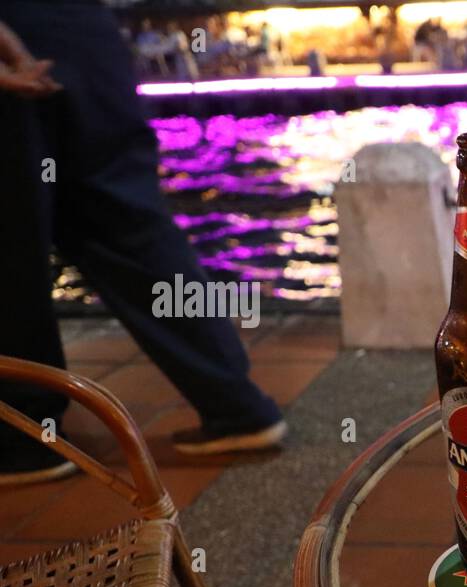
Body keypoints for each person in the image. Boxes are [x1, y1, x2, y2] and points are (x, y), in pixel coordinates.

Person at [0, 2, 285, 485]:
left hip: (15, 36)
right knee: (128, 222)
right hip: (83, 29)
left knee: (11, 246)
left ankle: (23, 437)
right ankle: (235, 403)